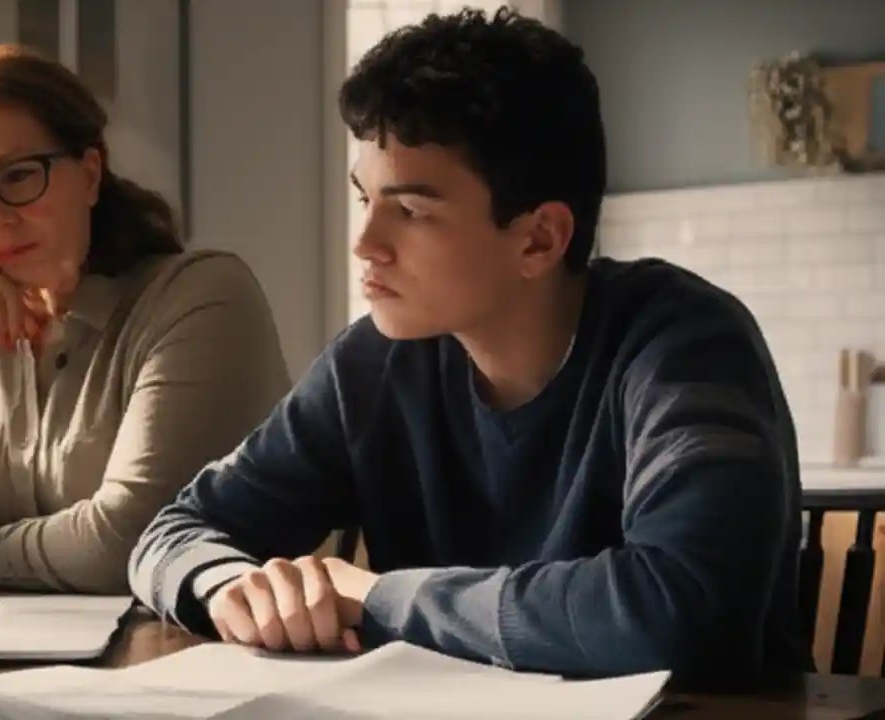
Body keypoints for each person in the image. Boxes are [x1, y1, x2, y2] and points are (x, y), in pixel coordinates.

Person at [129, 7, 806, 681]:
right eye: (365, 200)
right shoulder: (368, 365)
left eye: (411, 211)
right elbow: (172, 533)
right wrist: (229, 586)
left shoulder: (686, 344)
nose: (365, 244)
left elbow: (681, 611)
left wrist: (381, 599)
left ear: (539, 239)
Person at [0, 43, 290, 594]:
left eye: (18, 176)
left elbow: (131, 541)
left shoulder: (202, 298)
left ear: (91, 175)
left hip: (189, 637)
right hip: (18, 641)